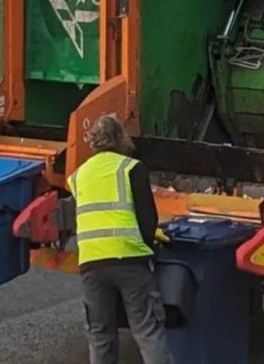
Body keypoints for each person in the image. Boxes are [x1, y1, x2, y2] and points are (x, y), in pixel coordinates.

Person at [66, 115, 173, 364]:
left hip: (92, 263)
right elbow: (148, 218)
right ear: (119, 138)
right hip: (129, 259)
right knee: (146, 330)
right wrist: (146, 245)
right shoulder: (131, 168)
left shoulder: (78, 175)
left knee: (100, 333)